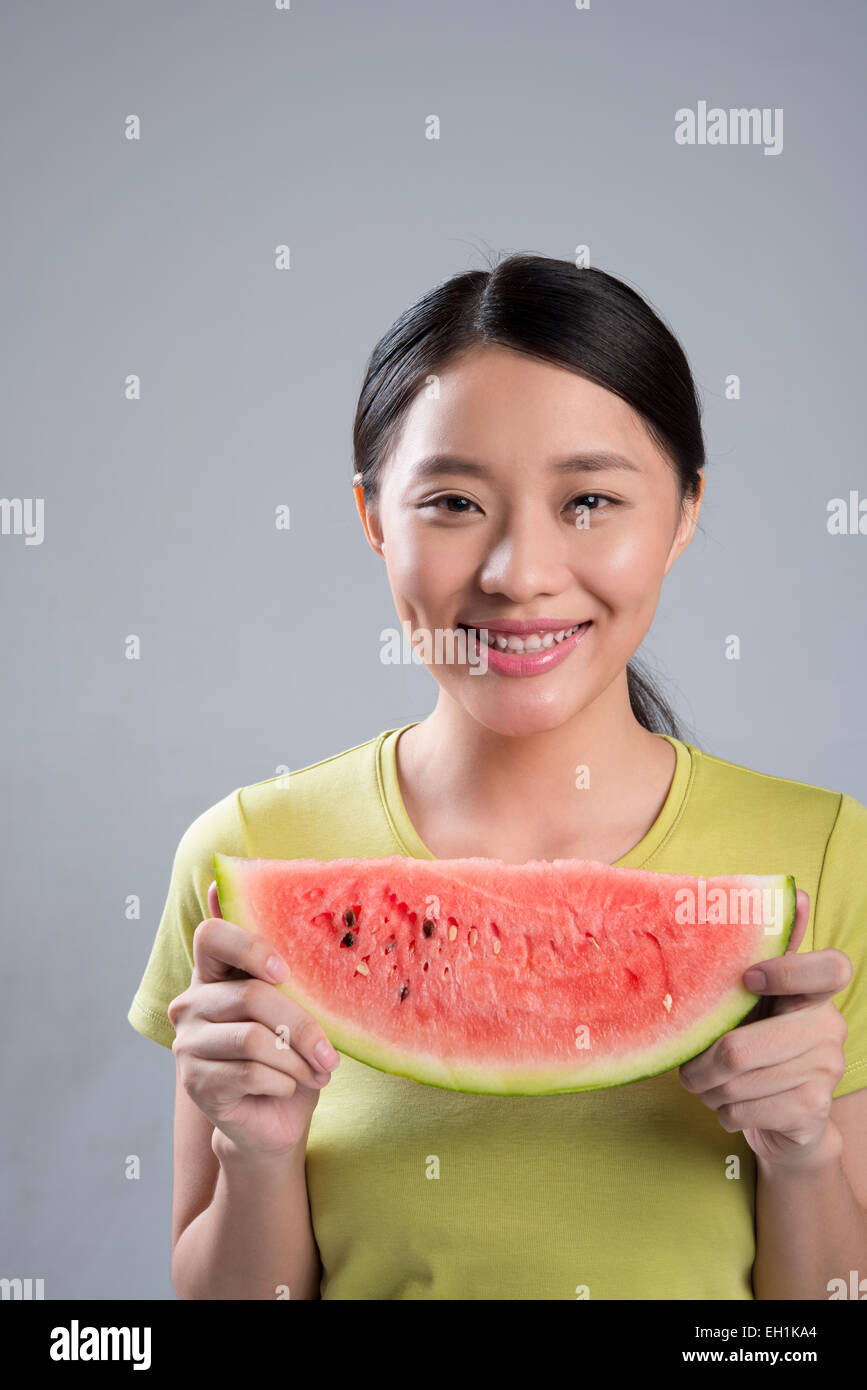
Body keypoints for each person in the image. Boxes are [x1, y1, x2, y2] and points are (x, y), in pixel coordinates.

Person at [128, 254, 867, 1300]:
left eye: (591, 500)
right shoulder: (243, 861)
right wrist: (258, 1156)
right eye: (453, 501)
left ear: (686, 509)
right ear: (374, 517)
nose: (519, 571)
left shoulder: (831, 861)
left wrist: (803, 1156)